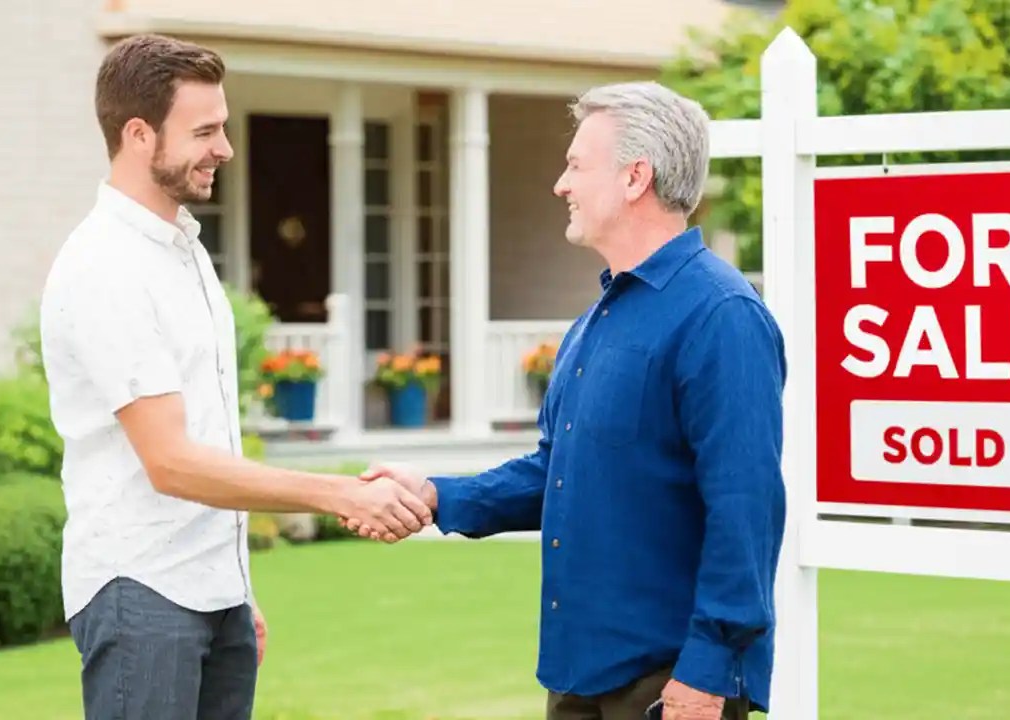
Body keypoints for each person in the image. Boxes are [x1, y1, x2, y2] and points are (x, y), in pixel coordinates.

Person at [353, 82, 787, 720]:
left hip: (671, 686)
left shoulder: (722, 315)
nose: (561, 183)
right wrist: (436, 495)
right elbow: (557, 473)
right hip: (578, 675)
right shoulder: (596, 322)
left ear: (636, 176)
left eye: (577, 165)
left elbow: (746, 511)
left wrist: (707, 674)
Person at [39, 34, 432, 720]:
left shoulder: (182, 251)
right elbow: (171, 462)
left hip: (209, 593)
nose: (225, 147)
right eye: (206, 130)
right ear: (139, 134)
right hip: (143, 594)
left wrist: (235, 585)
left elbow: (208, 434)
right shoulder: (106, 265)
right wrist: (340, 494)